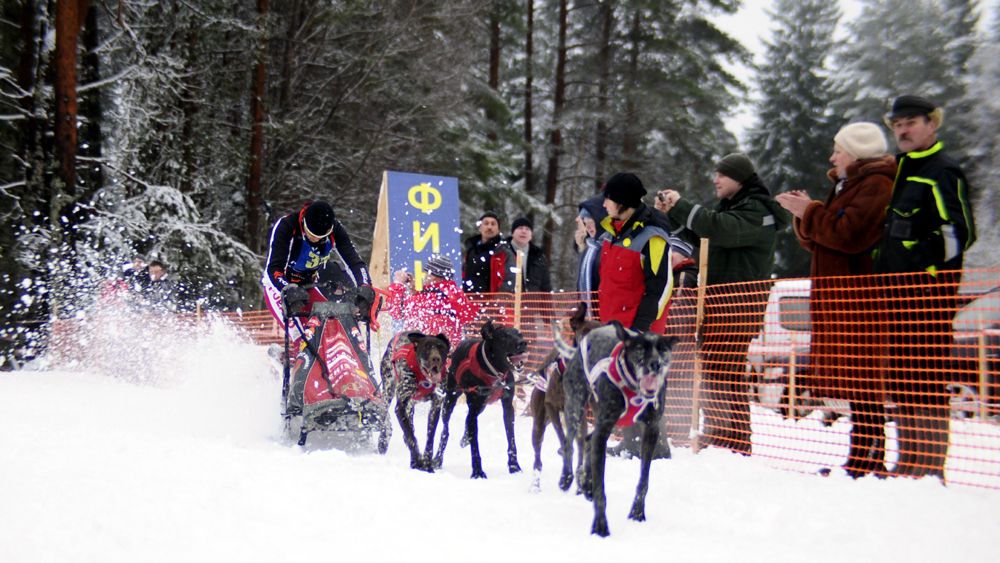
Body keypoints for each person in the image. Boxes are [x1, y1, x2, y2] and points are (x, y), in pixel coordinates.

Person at [775, 122, 896, 478]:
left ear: (856, 152)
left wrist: (809, 211)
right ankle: (860, 459)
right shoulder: (850, 185)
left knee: (865, 381)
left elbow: (848, 235)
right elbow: (823, 238)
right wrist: (805, 215)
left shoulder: (876, 185)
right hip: (840, 298)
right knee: (858, 381)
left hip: (859, 299)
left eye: (838, 149)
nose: (832, 156)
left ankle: (869, 458)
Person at [656, 153, 788, 455]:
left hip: (737, 305)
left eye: (722, 175)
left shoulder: (756, 211)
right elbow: (703, 232)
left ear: (739, 179)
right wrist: (671, 214)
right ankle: (722, 435)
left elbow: (717, 229)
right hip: (722, 303)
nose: (715, 180)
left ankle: (736, 441)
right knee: (717, 371)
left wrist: (681, 205)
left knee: (726, 371)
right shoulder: (735, 208)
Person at [875, 95, 977, 479]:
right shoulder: (899, 168)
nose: (903, 129)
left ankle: (930, 469)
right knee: (902, 381)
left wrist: (925, 271)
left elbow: (958, 233)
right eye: (897, 123)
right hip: (894, 298)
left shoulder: (942, 170)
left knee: (926, 381)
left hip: (928, 299)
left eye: (911, 122)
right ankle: (908, 464)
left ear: (932, 124)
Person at [261, 201, 371, 348]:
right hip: (280, 287)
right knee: (305, 341)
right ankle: (289, 360)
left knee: (332, 331)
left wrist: (365, 286)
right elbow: (273, 269)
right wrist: (288, 289)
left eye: (321, 236)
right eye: (311, 235)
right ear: (304, 223)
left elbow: (355, 262)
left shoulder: (335, 228)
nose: (316, 239)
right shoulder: (287, 225)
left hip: (309, 285)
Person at [597, 172, 674, 334]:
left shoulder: (652, 237)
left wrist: (640, 328)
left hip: (638, 335)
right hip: (610, 330)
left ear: (622, 202)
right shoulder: (610, 233)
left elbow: (661, 286)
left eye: (608, 199)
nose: (604, 204)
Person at [385, 254, 479, 348]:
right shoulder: (456, 294)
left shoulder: (426, 299)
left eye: (426, 273)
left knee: (394, 345)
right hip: (451, 353)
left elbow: (395, 311)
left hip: (426, 354)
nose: (424, 277)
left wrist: (398, 284)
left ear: (433, 276)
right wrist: (416, 291)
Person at [462, 212, 516, 293]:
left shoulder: (504, 252)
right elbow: (463, 274)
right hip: (468, 300)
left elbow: (509, 280)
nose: (489, 227)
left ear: (498, 229)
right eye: (486, 223)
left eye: (493, 224)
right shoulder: (470, 250)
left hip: (492, 302)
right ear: (480, 227)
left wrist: (499, 302)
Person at [574, 195, 606, 316]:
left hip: (605, 315)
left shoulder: (610, 247)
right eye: (585, 222)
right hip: (588, 318)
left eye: (591, 222)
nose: (588, 227)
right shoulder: (589, 248)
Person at [506, 217, 552, 292]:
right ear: (513, 233)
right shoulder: (502, 252)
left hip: (532, 301)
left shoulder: (538, 256)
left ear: (531, 235)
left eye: (527, 229)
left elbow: (546, 286)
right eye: (520, 228)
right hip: (507, 301)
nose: (524, 231)